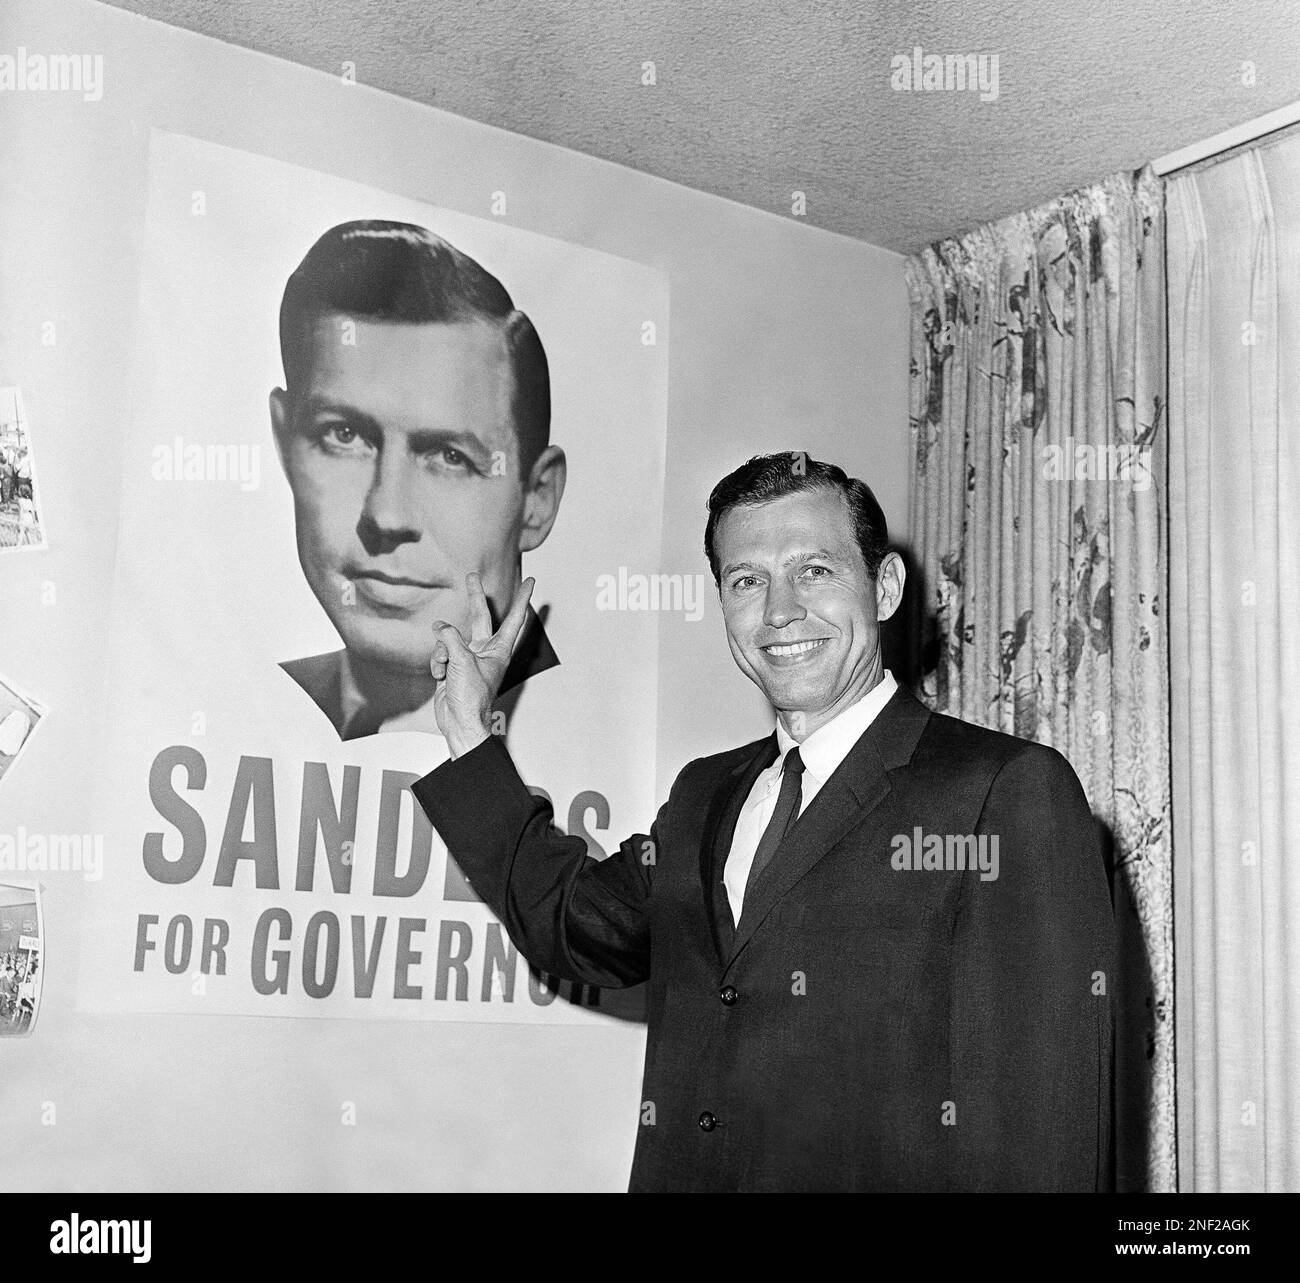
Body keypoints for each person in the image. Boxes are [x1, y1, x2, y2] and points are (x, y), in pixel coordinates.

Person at [413, 452, 1115, 1192]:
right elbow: (574, 925)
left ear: (883, 587)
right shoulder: (704, 793)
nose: (780, 610)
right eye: (747, 580)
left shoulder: (1004, 792)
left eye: (815, 570)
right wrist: (471, 735)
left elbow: (1044, 1140)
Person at [270, 220, 567, 740]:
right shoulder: (256, 707)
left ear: (536, 499)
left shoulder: (591, 727)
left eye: (449, 456)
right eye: (343, 435)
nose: (387, 516)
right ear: (283, 440)